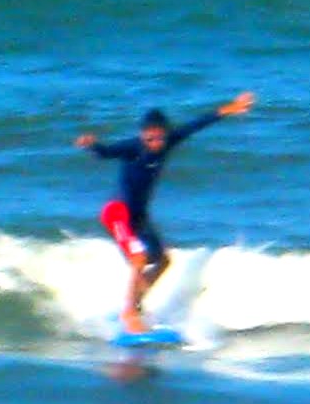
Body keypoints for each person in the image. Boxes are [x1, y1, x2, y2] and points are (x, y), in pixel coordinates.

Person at [75, 92, 255, 332]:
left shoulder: (169, 141)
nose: (155, 143)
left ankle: (135, 304)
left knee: (163, 260)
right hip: (117, 212)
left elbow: (197, 124)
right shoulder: (133, 147)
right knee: (139, 259)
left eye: (159, 137)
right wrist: (92, 145)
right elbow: (106, 152)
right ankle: (129, 314)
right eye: (150, 138)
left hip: (138, 216)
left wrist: (232, 107)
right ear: (143, 135)